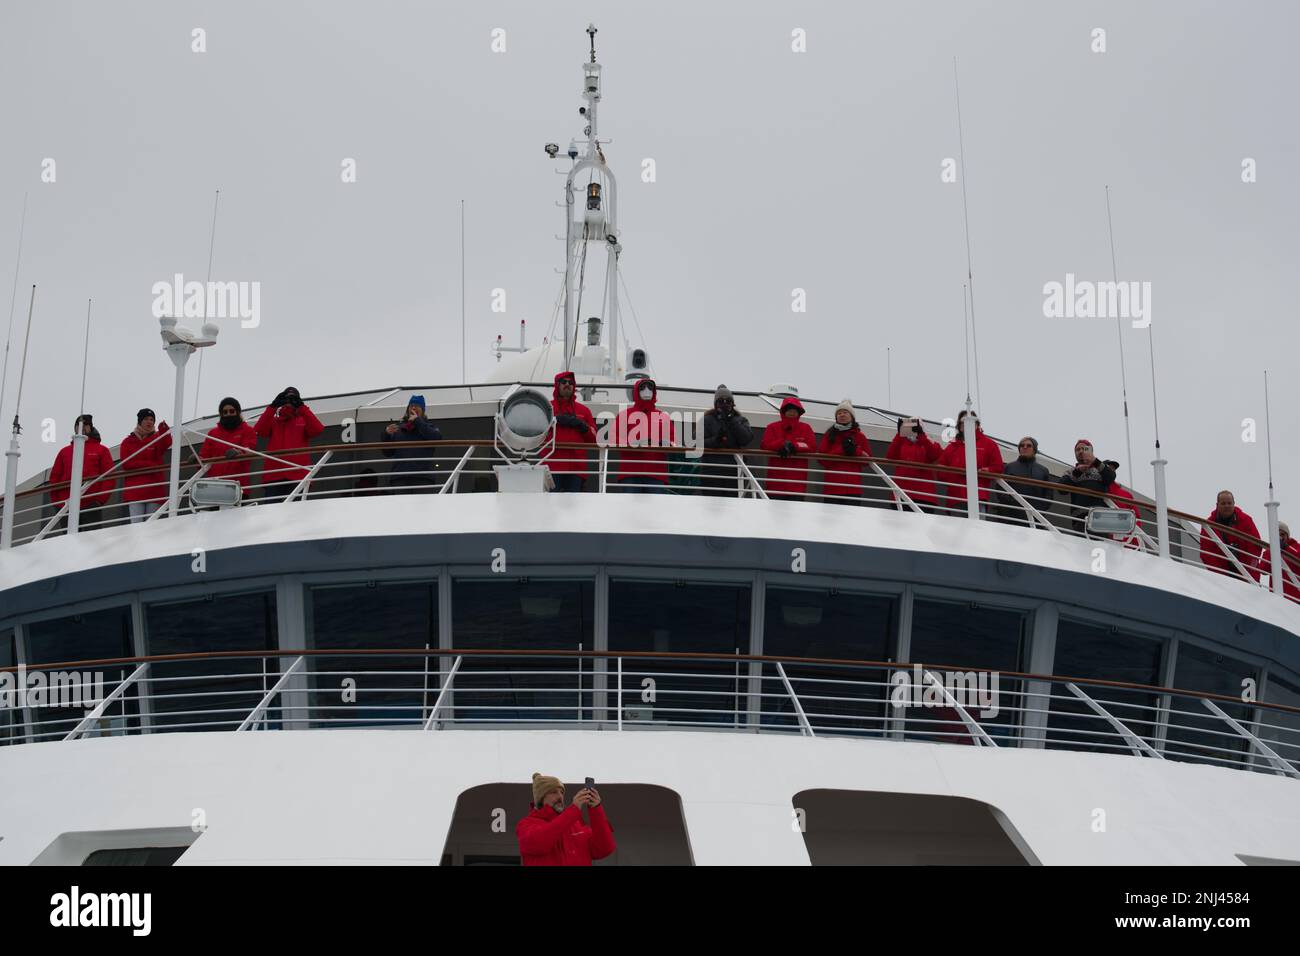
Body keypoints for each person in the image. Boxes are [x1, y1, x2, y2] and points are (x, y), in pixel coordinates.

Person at [516, 772, 616, 866]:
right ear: (541, 797)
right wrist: (573, 810)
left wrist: (596, 809)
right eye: (554, 792)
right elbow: (540, 843)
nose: (560, 796)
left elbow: (604, 849)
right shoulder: (526, 825)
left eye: (562, 792)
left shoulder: (575, 824)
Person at [254, 386, 325, 502]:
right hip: (274, 476)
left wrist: (301, 407)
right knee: (273, 511)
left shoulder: (303, 419)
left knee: (297, 512)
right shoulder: (274, 421)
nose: (289, 401)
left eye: (293, 398)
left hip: (298, 476)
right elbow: (260, 430)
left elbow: (317, 429)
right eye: (287, 398)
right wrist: (273, 406)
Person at [46, 414, 116, 529]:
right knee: (69, 539)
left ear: (91, 427)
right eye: (78, 424)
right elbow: (54, 478)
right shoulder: (64, 452)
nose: (81, 427)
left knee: (91, 539)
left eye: (85, 424)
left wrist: (99, 500)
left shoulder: (102, 450)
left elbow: (109, 477)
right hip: (66, 505)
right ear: (75, 427)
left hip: (91, 504)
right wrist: (58, 503)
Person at [610, 378, 676, 492]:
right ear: (636, 391)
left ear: (654, 392)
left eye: (650, 388)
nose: (647, 390)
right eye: (642, 388)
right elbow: (613, 438)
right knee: (630, 503)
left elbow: (673, 440)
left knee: (655, 504)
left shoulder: (663, 417)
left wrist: (667, 444)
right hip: (631, 472)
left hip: (655, 473)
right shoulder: (624, 415)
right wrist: (631, 444)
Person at [935, 410, 1004, 515]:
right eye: (963, 422)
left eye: (971, 422)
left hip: (978, 497)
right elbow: (940, 472)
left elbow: (998, 467)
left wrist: (988, 470)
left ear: (977, 425)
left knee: (977, 525)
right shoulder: (952, 447)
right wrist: (954, 474)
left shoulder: (989, 444)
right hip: (956, 497)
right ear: (960, 426)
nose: (966, 424)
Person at [545, 371, 596, 493]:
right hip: (552, 466)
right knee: (550, 502)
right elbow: (537, 433)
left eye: (571, 382)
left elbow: (594, 440)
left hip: (576, 467)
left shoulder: (584, 411)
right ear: (557, 385)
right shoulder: (547, 408)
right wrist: (552, 421)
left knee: (573, 503)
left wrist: (583, 427)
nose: (567, 384)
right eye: (564, 382)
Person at [700, 385, 754, 497]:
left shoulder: (740, 420)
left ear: (733, 404)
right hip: (711, 470)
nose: (724, 405)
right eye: (721, 402)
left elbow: (746, 439)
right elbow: (697, 442)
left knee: (732, 503)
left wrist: (732, 422)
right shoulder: (707, 420)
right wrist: (716, 440)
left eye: (728, 401)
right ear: (716, 404)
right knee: (712, 503)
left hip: (733, 471)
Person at [759, 396, 817, 501]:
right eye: (789, 410)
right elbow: (765, 444)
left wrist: (794, 446)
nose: (792, 413)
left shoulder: (806, 428)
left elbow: (812, 446)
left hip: (797, 484)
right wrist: (782, 444)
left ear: (799, 412)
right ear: (783, 411)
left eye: (795, 410)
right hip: (776, 483)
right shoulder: (772, 427)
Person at [119, 409, 172, 523]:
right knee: (136, 525)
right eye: (146, 419)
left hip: (154, 489)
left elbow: (167, 443)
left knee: (151, 526)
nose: (149, 422)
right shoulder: (128, 442)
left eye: (152, 419)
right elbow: (126, 464)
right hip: (135, 491)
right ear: (140, 421)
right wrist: (150, 465)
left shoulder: (157, 438)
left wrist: (164, 431)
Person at [381, 395, 443, 491]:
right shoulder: (398, 429)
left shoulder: (429, 427)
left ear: (422, 410)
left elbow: (436, 438)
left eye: (417, 406)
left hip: (423, 478)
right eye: (411, 406)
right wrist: (386, 434)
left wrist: (417, 421)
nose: (413, 408)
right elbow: (387, 453)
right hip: (400, 478)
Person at [197, 397, 259, 494]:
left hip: (238, 486)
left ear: (238, 412)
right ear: (221, 414)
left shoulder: (248, 431)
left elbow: (250, 450)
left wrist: (238, 452)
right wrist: (197, 459)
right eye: (225, 412)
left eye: (232, 411)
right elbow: (204, 455)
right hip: (214, 485)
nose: (228, 414)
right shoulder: (212, 433)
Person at [1054, 439, 1115, 535]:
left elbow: (1110, 478)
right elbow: (1061, 489)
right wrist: (1077, 472)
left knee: (1101, 543)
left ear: (1091, 451)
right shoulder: (1071, 471)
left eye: (1084, 449)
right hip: (1080, 518)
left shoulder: (1101, 468)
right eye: (1078, 450)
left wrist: (1095, 461)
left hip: (1100, 516)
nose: (1081, 451)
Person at [1199, 490, 1263, 581]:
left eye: (1229, 503)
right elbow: (1206, 553)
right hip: (1221, 576)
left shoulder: (1245, 520)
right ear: (1217, 505)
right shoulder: (1208, 525)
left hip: (1247, 575)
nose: (1227, 506)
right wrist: (1220, 576)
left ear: (1234, 504)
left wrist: (1248, 572)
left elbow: (1255, 547)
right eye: (1223, 503)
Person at [816, 399, 871, 503]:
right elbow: (821, 460)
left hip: (853, 489)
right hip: (833, 488)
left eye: (845, 412)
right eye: (839, 413)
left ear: (852, 416)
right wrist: (841, 450)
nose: (842, 415)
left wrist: (855, 451)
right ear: (836, 417)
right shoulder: (829, 435)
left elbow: (868, 461)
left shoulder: (860, 436)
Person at [885, 416, 943, 513]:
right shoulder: (901, 443)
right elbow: (890, 456)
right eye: (909, 426)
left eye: (916, 426)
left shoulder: (930, 443)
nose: (913, 429)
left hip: (924, 496)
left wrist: (921, 436)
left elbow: (935, 455)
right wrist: (900, 434)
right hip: (902, 493)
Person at [994, 436, 1051, 526]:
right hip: (1010, 516)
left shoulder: (1043, 470)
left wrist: (1040, 507)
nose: (1025, 447)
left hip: (1035, 517)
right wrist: (1010, 502)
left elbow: (1049, 494)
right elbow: (999, 488)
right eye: (1022, 445)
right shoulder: (1009, 467)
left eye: (1029, 445)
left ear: (1034, 450)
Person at [1103, 460, 1144, 549]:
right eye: (1108, 468)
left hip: (1122, 543)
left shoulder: (1126, 495)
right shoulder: (1093, 489)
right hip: (1095, 539)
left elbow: (1136, 520)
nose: (1111, 471)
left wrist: (1133, 542)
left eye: (1113, 469)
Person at [1260, 521, 1300, 601]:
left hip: (1296, 597)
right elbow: (1263, 569)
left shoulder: (1297, 547)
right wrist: (1272, 550)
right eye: (1277, 534)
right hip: (1277, 597)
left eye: (1282, 534)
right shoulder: (1269, 550)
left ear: (1287, 536)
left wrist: (1286, 548)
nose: (1280, 537)